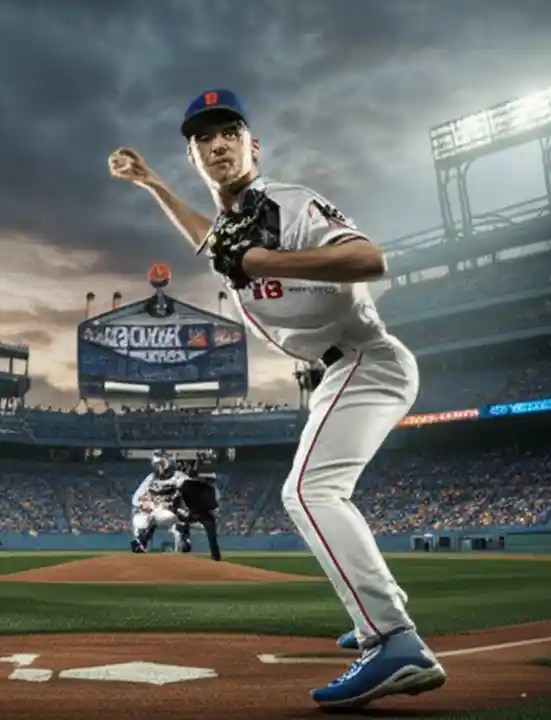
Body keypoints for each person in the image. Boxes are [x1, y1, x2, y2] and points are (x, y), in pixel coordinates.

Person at [107, 89, 445, 709]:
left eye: (229, 131)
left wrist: (269, 257)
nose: (218, 144)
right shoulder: (232, 228)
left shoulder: (285, 203)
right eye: (203, 137)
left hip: (364, 358)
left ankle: (395, 641)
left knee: (308, 492)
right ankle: (377, 618)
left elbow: (370, 260)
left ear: (251, 144)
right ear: (193, 154)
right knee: (317, 491)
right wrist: (152, 183)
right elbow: (213, 243)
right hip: (337, 372)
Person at [129, 450, 188, 552]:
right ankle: (141, 542)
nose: (157, 467)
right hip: (156, 510)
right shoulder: (151, 478)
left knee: (181, 515)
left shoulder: (179, 477)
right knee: (140, 519)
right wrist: (143, 504)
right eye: (156, 465)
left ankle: (183, 537)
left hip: (174, 512)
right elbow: (136, 498)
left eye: (159, 464)